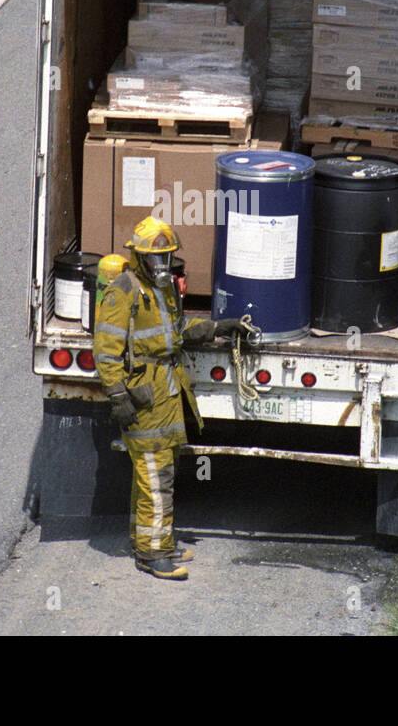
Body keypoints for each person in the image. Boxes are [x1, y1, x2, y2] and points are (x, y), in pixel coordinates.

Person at [92, 216, 244, 580]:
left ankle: (151, 539)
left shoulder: (161, 291)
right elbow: (105, 352)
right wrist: (117, 396)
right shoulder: (123, 291)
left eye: (166, 257)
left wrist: (217, 327)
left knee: (154, 473)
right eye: (154, 258)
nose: (161, 265)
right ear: (138, 257)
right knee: (156, 477)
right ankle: (153, 554)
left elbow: (175, 332)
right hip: (143, 398)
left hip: (166, 393)